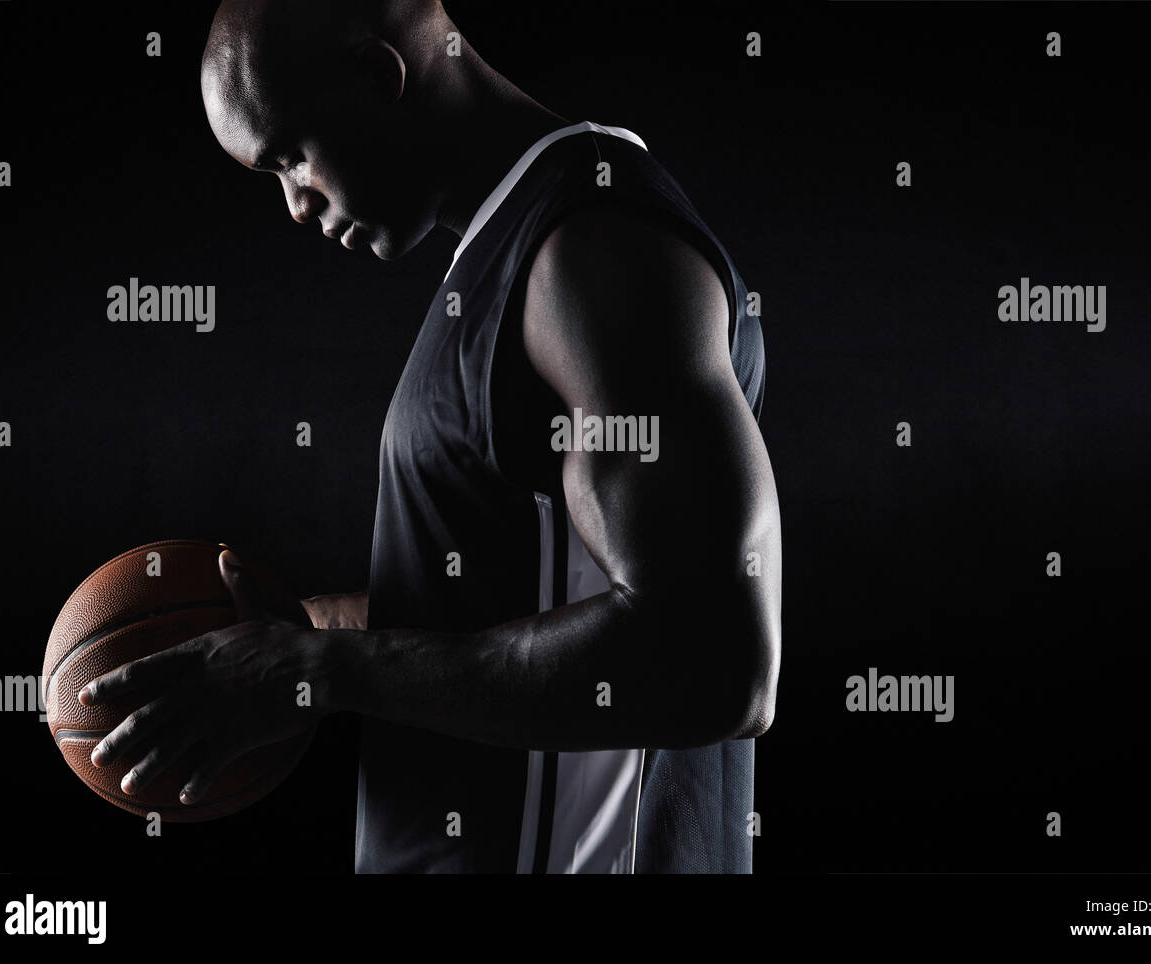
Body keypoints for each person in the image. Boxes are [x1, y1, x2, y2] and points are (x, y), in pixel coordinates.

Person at [81, 0, 781, 874]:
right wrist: (298, 639)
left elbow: (712, 655)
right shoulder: (524, 247)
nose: (296, 205)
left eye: (291, 156)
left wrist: (326, 672)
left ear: (381, 77)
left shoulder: (596, 251)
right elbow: (505, 610)